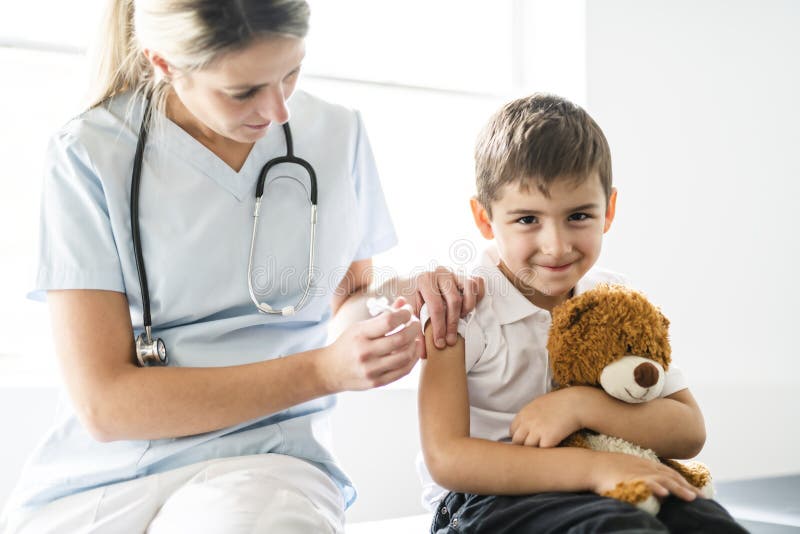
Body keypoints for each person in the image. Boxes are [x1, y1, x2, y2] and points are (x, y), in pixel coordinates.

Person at [0, 1, 481, 533]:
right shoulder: (87, 153)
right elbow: (105, 405)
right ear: (164, 63)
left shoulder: (337, 133)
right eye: (243, 91)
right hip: (102, 476)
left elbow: (348, 297)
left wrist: (393, 309)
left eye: (291, 72)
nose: (278, 111)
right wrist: (324, 370)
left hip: (266, 458)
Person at [416, 93, 746, 532]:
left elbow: (689, 430)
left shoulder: (613, 299)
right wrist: (592, 469)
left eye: (578, 215)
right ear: (484, 218)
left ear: (608, 210)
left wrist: (580, 406)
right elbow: (447, 458)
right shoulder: (460, 307)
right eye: (527, 219)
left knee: (708, 523)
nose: (556, 245)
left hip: (604, 474)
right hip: (487, 499)